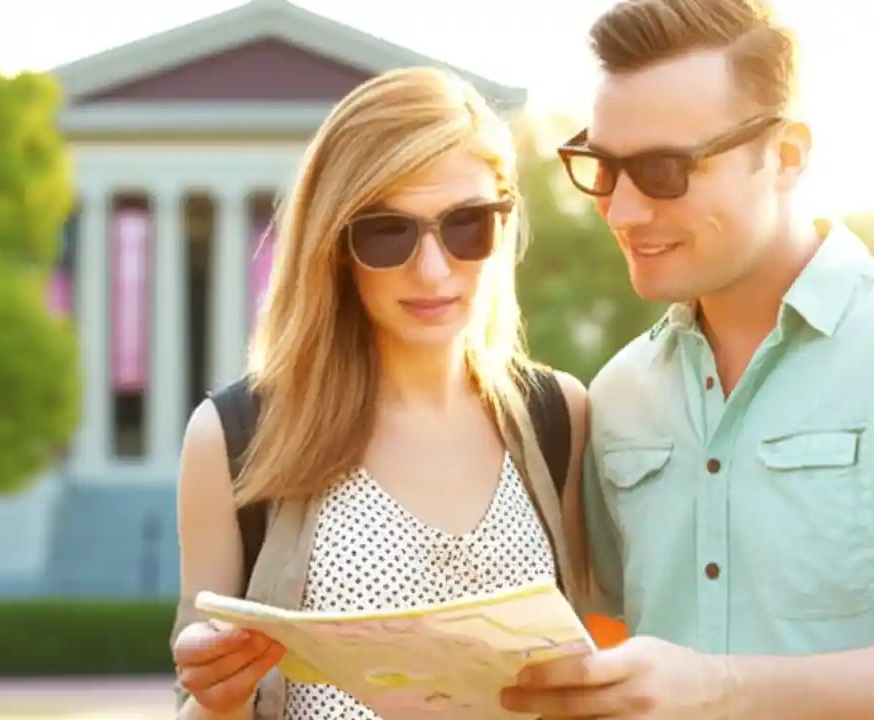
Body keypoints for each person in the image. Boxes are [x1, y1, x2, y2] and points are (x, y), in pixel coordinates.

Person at [500, 0, 874, 718]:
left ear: (786, 155)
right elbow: (608, 640)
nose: (622, 211)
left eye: (664, 170)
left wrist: (722, 688)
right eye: (604, 168)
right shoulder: (619, 393)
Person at [168, 66, 590, 720]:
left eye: (468, 224)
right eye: (387, 232)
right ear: (336, 245)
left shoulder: (558, 417)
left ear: (504, 223)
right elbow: (198, 702)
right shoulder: (234, 435)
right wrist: (217, 695)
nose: (433, 270)